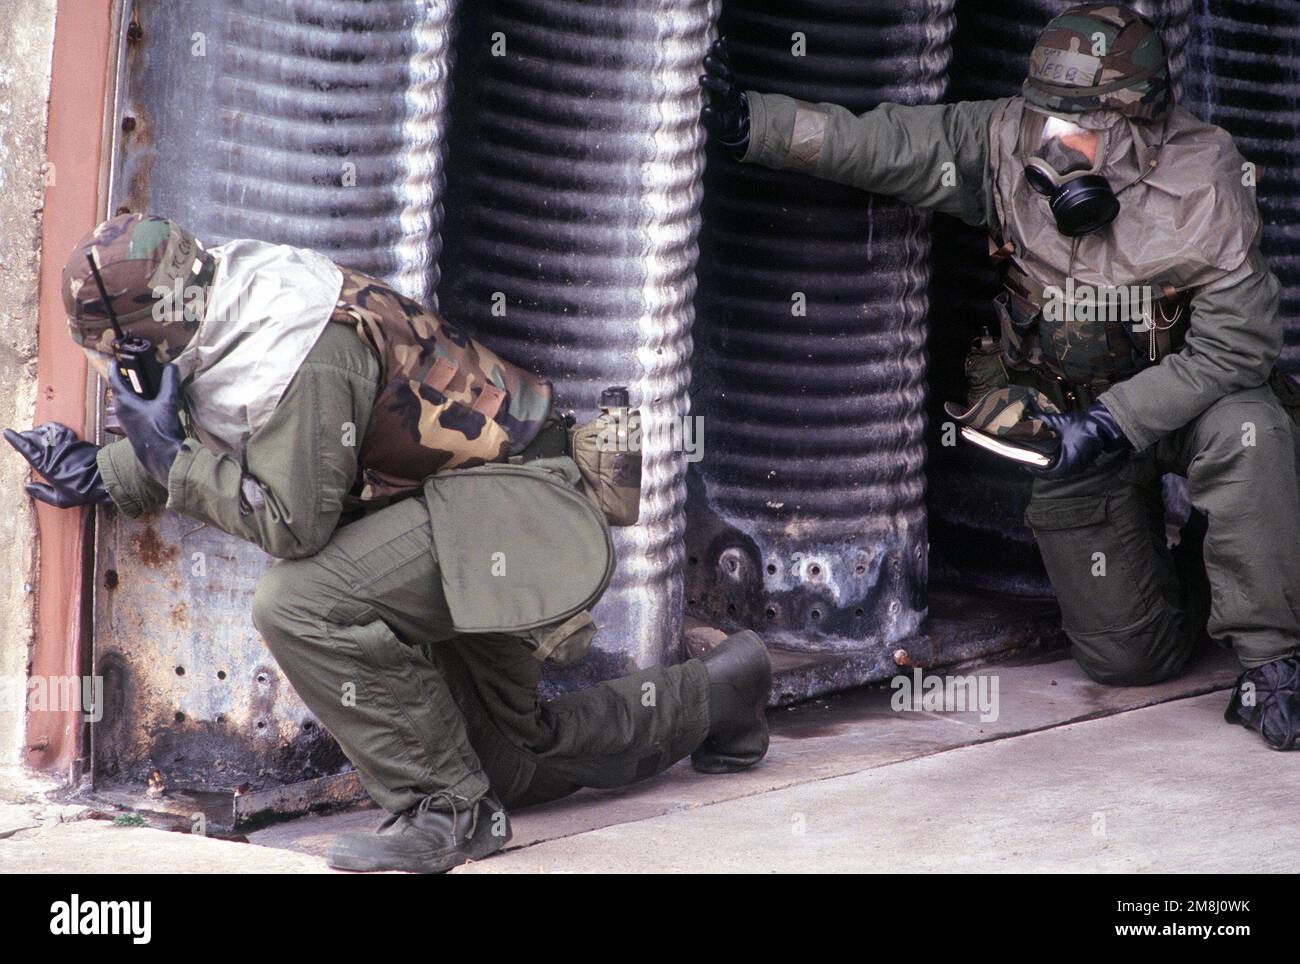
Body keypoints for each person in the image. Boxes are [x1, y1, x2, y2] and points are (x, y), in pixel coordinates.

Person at [5, 212, 772, 871]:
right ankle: (724, 693)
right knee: (513, 760)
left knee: (298, 603)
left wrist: (167, 457)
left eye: (120, 357)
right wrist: (104, 470)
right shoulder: (224, 304)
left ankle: (444, 812)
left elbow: (292, 521)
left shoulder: (294, 348)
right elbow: (260, 441)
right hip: (464, 510)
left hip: (518, 518)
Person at [700, 3, 1300, 749]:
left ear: (1135, 128)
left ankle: (1273, 660)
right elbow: (884, 143)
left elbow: (1236, 349)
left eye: (1074, 126)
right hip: (1075, 417)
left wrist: (1116, 422)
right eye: (1043, 117)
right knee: (1125, 660)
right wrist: (753, 124)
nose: (1049, 141)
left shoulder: (1203, 180)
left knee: (1253, 432)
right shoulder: (1007, 140)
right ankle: (1208, 577)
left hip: (1190, 403)